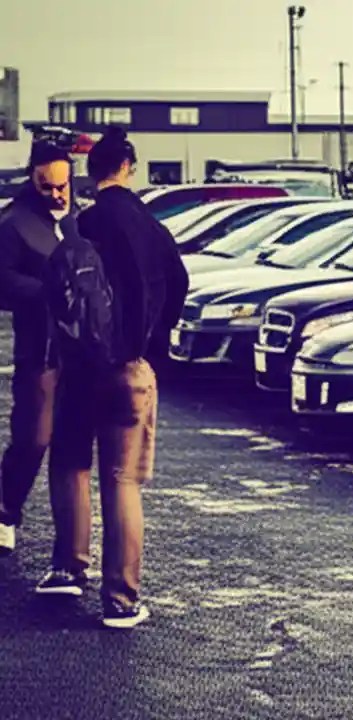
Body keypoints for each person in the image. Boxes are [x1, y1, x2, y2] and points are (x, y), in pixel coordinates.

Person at [40, 127, 189, 629]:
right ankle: (121, 600)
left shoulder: (82, 224)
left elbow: (58, 289)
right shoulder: (152, 227)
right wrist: (152, 340)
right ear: (129, 168)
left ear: (91, 171)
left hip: (81, 366)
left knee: (70, 462)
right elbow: (178, 285)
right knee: (122, 480)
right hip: (131, 366)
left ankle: (67, 568)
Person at [0, 142, 73, 555]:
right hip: (39, 352)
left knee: (71, 445)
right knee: (34, 438)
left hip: (81, 352)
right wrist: (47, 291)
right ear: (33, 180)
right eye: (48, 187)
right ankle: (5, 511)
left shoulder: (76, 220)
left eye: (63, 186)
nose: (57, 194)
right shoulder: (14, 225)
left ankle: (71, 547)